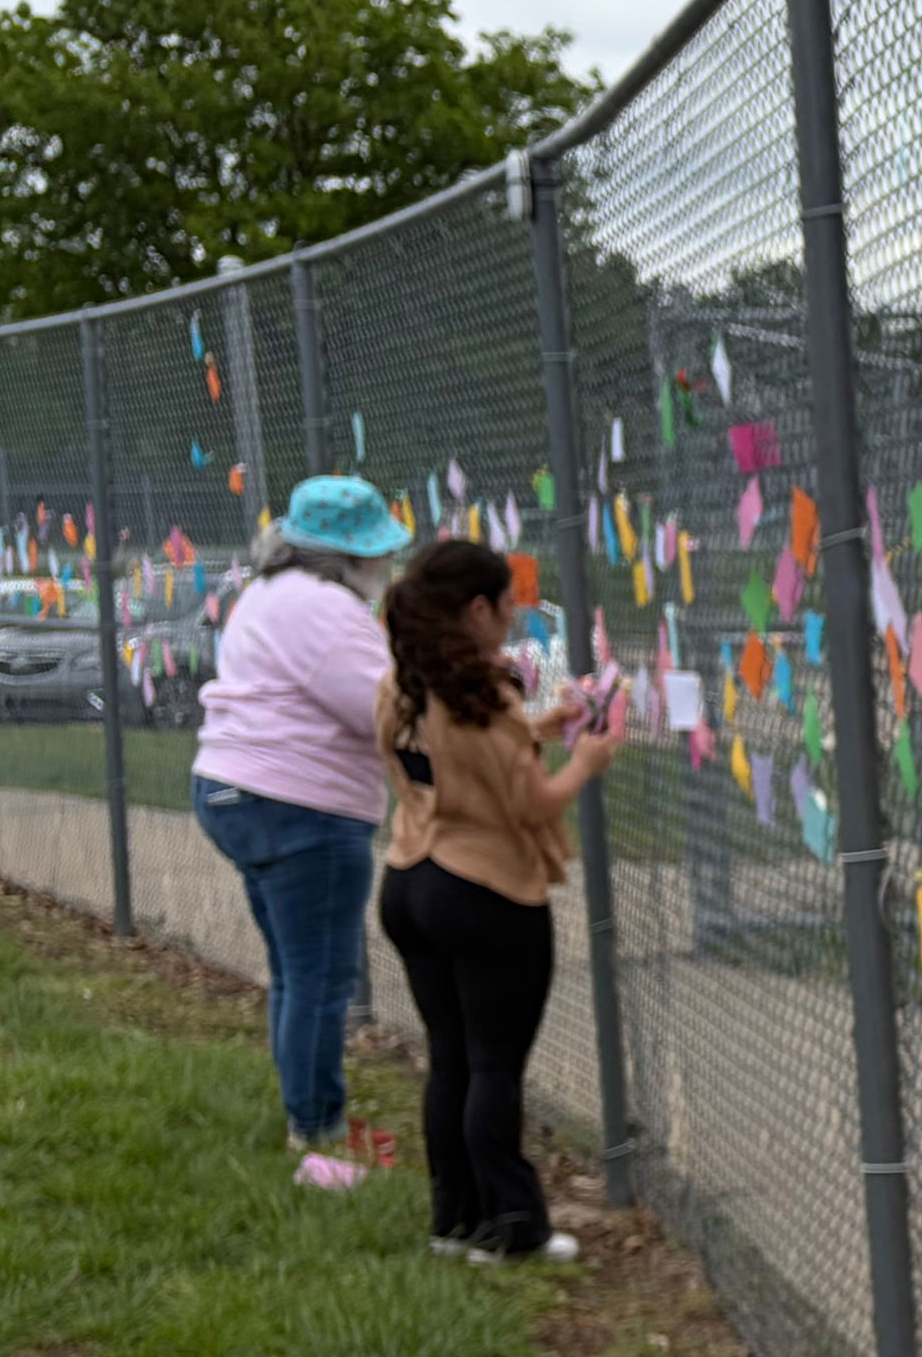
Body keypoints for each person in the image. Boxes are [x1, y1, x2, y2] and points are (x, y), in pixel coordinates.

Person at [375, 538, 617, 1263]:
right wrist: (585, 762)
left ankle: (455, 1220)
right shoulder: (485, 696)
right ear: (477, 610)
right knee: (494, 1067)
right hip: (483, 894)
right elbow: (530, 801)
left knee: (449, 1061)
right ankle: (514, 1228)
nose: (513, 617)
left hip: (409, 879)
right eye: (509, 604)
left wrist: (538, 728)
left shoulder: (403, 684)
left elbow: (459, 757)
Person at [189, 475, 411, 1189]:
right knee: (320, 978)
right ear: (349, 558)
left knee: (294, 971)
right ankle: (319, 1138)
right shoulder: (326, 610)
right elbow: (381, 709)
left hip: (230, 788)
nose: (384, 568)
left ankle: (306, 1120)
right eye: (377, 554)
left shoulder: (265, 595)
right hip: (299, 807)